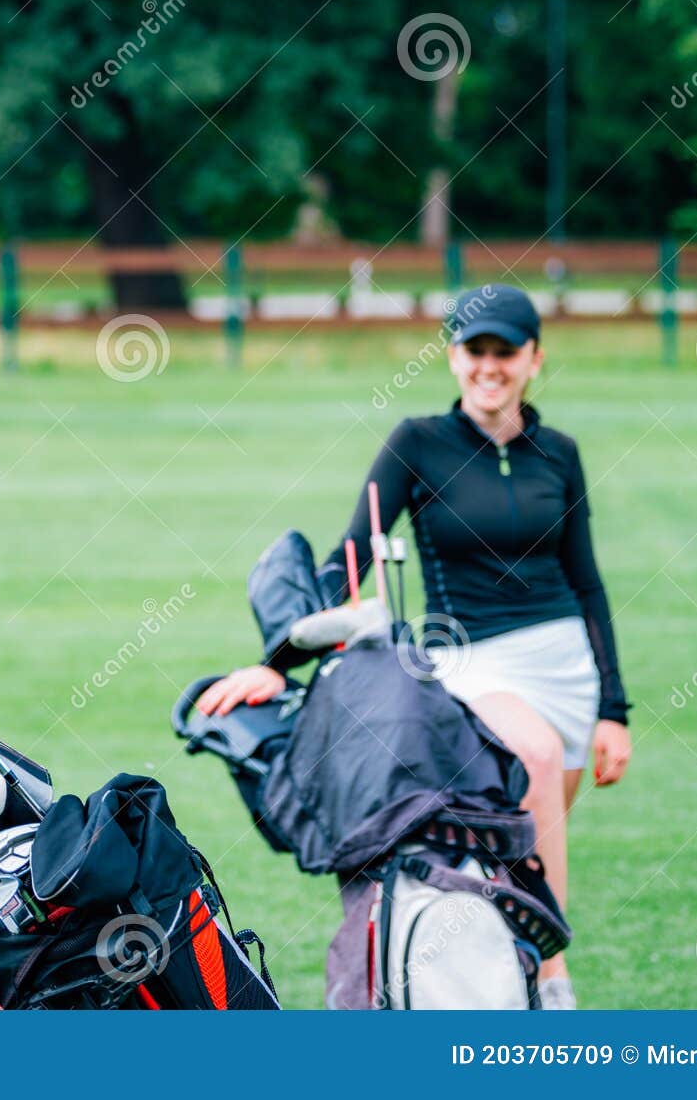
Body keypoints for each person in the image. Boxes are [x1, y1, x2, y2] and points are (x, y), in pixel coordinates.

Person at [197, 284, 631, 1010]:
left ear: (534, 359)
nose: (489, 365)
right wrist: (278, 658)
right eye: (474, 350)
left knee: (527, 841)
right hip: (472, 658)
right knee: (534, 759)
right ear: (454, 358)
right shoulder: (418, 441)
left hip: (566, 668)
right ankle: (552, 985)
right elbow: (348, 557)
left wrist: (613, 709)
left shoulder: (560, 453)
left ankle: (494, 980)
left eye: (505, 351)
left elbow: (587, 582)